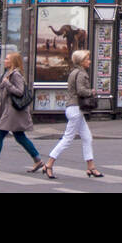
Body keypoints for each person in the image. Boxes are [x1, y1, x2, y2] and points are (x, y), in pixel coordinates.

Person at [0, 52, 43, 174]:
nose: (4, 60)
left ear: (12, 62)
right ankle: (37, 160)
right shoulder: (7, 74)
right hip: (10, 112)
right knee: (20, 137)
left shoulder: (15, 75)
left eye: (7, 58)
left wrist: (7, 83)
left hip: (13, 113)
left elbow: (20, 92)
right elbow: (4, 99)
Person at [41, 50, 102, 179]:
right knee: (67, 139)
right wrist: (91, 92)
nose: (89, 61)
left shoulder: (73, 72)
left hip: (73, 108)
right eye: (87, 59)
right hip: (76, 109)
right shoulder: (81, 74)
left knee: (87, 137)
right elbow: (81, 91)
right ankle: (49, 164)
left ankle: (91, 167)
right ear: (81, 61)